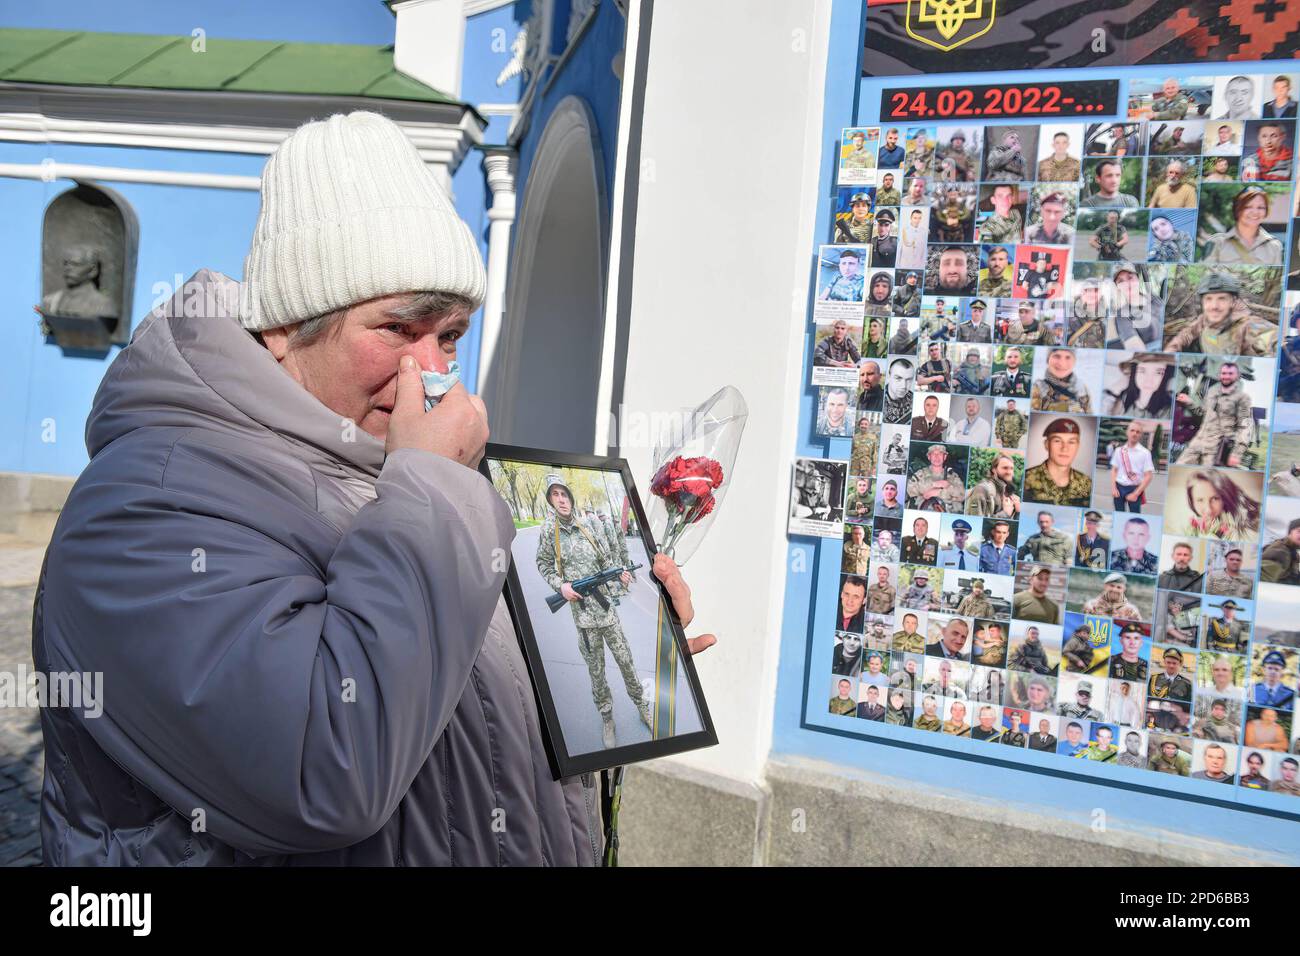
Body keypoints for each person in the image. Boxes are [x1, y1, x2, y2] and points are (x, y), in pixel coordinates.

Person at [28, 112, 722, 867]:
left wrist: (616, 643)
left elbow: (460, 705)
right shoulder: (144, 508)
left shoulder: (407, 480)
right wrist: (429, 492)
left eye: (450, 335)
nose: (432, 373)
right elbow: (323, 772)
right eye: (398, 329)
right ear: (285, 327)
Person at [536, 473, 652, 748]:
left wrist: (619, 574)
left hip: (608, 614)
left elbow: (606, 559)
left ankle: (642, 707)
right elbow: (543, 564)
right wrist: (560, 586)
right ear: (550, 500)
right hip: (584, 620)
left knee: (626, 662)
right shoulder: (547, 531)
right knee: (596, 673)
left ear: (570, 497)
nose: (561, 500)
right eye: (555, 495)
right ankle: (607, 718)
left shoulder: (589, 524)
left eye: (564, 494)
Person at [1175, 360, 1255, 466]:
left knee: (1207, 479)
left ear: (1237, 375)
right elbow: (1203, 413)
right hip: (1198, 441)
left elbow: (1246, 427)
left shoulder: (1242, 398)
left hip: (1216, 448)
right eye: (1224, 373)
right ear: (1220, 375)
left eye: (1230, 374)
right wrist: (1190, 402)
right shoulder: (1212, 392)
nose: (1226, 376)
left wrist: (1237, 454)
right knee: (1179, 467)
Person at [1202, 188, 1285, 265]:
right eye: (1248, 207)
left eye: (1260, 207)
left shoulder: (1274, 246)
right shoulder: (1218, 243)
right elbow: (1205, 276)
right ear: (1238, 209)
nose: (1255, 212)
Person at [1023, 417, 1092, 508]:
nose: (1064, 448)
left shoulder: (1086, 483)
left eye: (1071, 442)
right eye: (1057, 441)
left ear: (1078, 446)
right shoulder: (1025, 480)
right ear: (1047, 444)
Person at [40, 244, 118, 320]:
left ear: (93, 270)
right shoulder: (50, 301)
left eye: (75, 264)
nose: (68, 268)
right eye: (66, 263)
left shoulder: (103, 305)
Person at [1182, 472, 1260, 542]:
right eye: (1200, 500)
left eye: (1215, 498)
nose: (1208, 509)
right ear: (1192, 502)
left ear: (1225, 497)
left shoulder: (1246, 530)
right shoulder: (1193, 529)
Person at [1107, 352, 1173, 418]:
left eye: (1158, 372)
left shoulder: (1168, 410)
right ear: (1134, 372)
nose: (1149, 380)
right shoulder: (1123, 398)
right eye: (1142, 371)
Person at [907, 443, 966, 512]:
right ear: (929, 457)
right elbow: (910, 491)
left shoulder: (952, 476)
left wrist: (942, 490)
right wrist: (934, 485)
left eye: (940, 454)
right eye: (933, 454)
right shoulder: (920, 474)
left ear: (945, 457)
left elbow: (962, 495)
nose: (937, 457)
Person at [1031, 347, 1091, 414]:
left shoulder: (1081, 388)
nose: (1062, 363)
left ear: (1074, 361)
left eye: (1068, 357)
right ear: (1048, 360)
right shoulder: (1037, 388)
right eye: (1056, 356)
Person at [965, 453, 1020, 519]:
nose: (1009, 472)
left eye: (1011, 468)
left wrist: (1017, 512)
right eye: (1005, 468)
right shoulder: (982, 490)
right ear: (994, 470)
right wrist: (1005, 514)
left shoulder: (1008, 493)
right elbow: (974, 521)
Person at [1067, 278, 1107, 348]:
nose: (1091, 294)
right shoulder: (1069, 315)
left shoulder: (1108, 315)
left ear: (1100, 293)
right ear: (1081, 293)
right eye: (1087, 290)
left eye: (1096, 290)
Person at [1261, 518, 1300, 585]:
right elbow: (1262, 579)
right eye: (1299, 531)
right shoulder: (1281, 551)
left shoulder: (1291, 550)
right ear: (1290, 532)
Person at [883, 358, 915, 424]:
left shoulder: (915, 400)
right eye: (898, 378)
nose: (904, 386)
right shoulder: (877, 401)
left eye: (908, 380)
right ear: (889, 377)